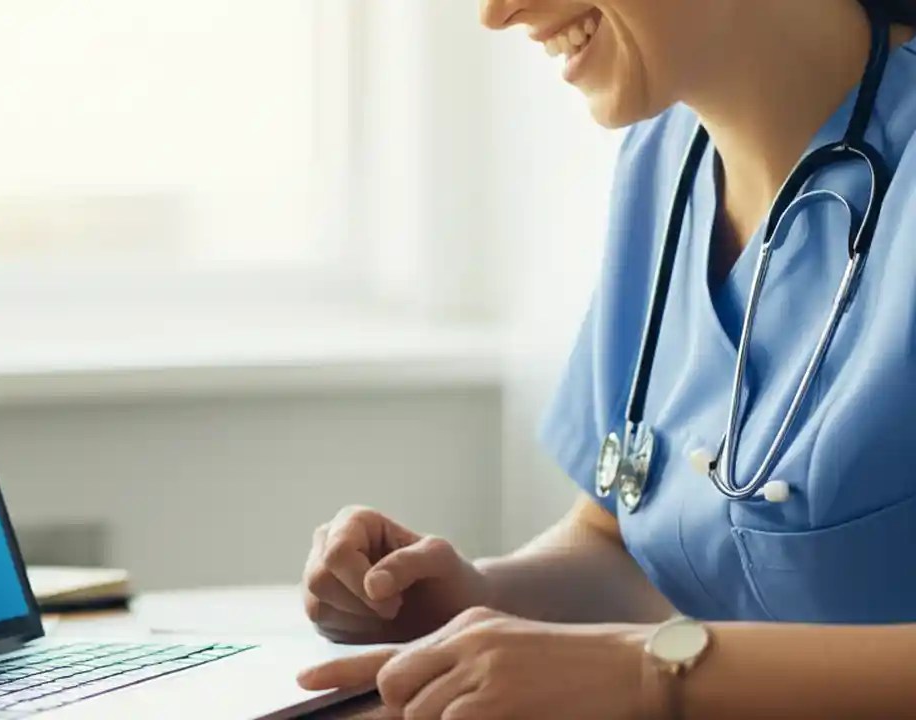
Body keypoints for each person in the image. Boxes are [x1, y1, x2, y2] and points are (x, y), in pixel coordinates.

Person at [295, 1, 916, 718]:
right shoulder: (665, 159)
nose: (499, 12)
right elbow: (623, 544)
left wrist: (653, 674)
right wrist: (473, 597)